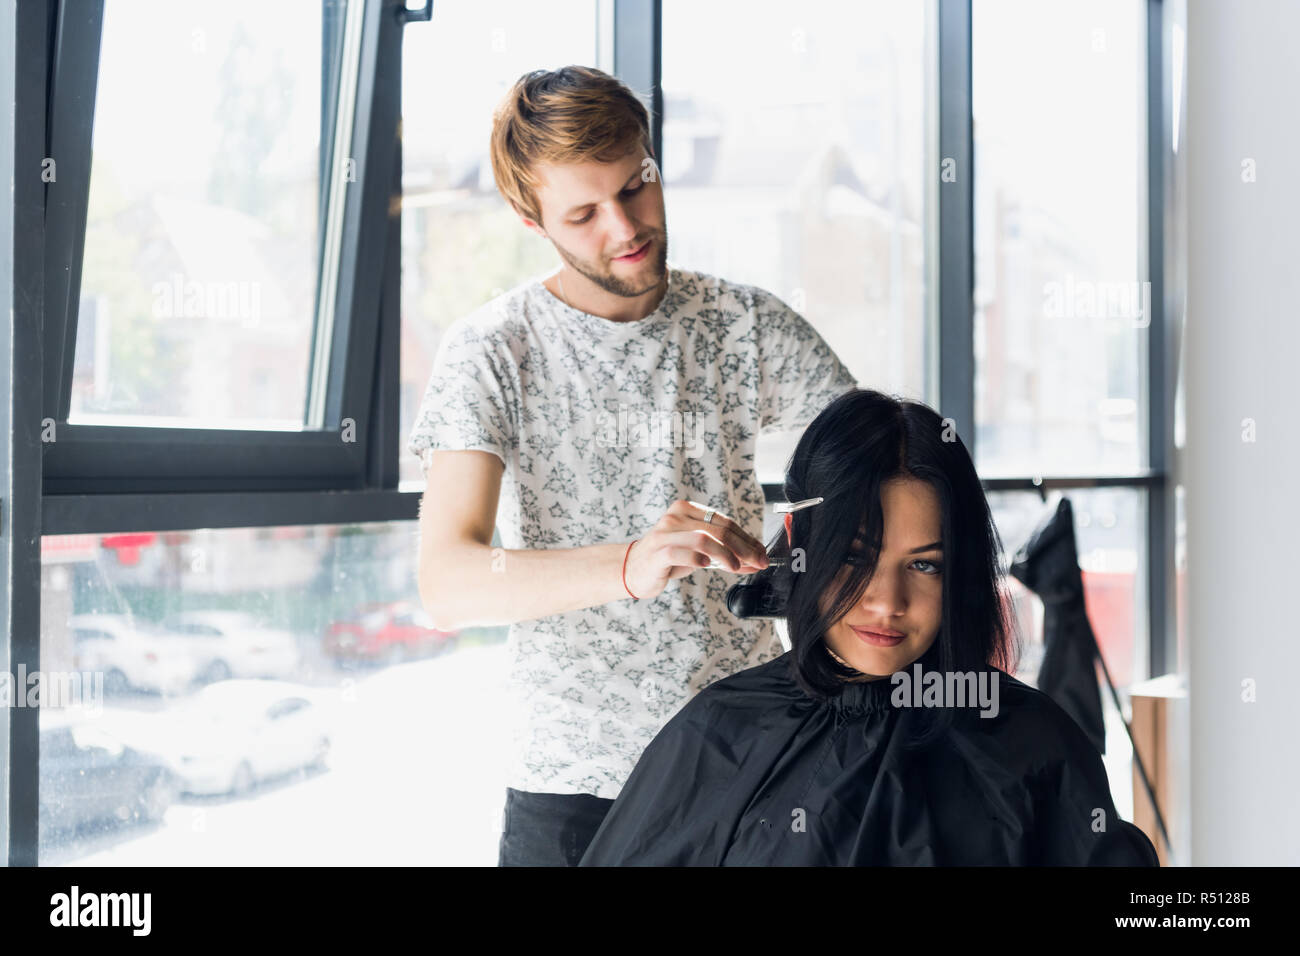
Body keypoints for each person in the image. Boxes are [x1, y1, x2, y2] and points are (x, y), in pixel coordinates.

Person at [406, 66, 859, 866]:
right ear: (530, 219)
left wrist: (804, 554)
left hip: (747, 762)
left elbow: (880, 466)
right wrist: (629, 564)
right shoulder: (492, 351)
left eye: (636, 185)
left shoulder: (745, 323)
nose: (625, 227)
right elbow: (448, 584)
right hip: (570, 786)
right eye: (583, 214)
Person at [579, 388, 1161, 866]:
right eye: (854, 559)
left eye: (924, 565)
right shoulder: (719, 732)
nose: (887, 603)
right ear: (802, 546)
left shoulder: (1034, 743)